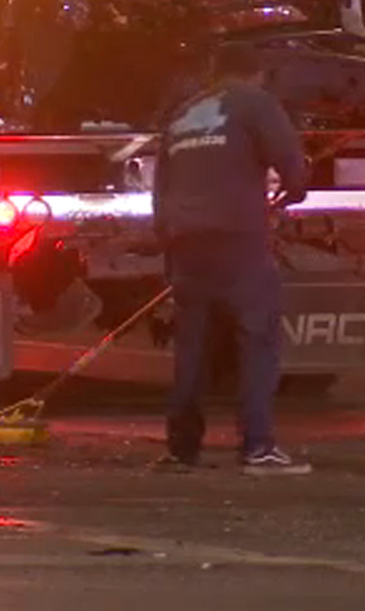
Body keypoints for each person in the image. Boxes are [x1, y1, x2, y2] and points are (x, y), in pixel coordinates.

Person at [152, 42, 312, 474]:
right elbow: (290, 163)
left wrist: (169, 239)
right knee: (257, 338)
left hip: (185, 240)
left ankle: (181, 450)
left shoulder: (182, 114)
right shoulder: (255, 102)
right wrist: (293, 189)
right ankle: (258, 447)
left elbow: (160, 187)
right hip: (237, 236)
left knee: (192, 347)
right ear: (257, 73)